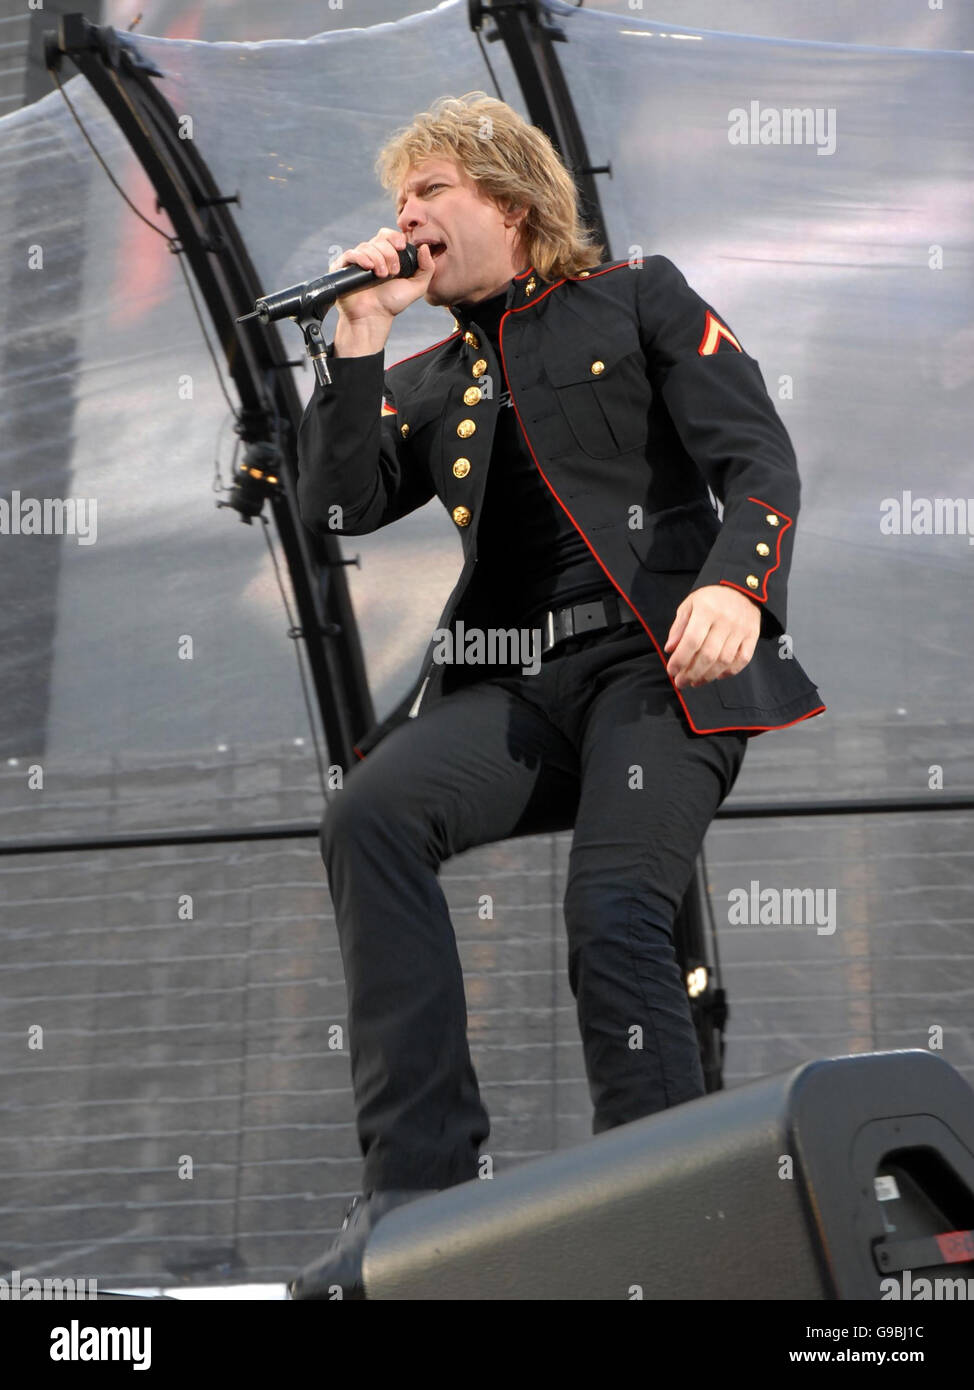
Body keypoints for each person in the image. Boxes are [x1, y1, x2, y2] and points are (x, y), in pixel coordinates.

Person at [288, 92, 825, 1299]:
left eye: (429, 191)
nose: (404, 216)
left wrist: (737, 587)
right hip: (518, 686)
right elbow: (334, 513)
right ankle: (416, 1188)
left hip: (657, 666)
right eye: (397, 200)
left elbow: (759, 456)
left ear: (509, 199)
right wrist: (358, 343)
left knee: (614, 912)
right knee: (367, 814)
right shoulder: (427, 375)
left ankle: (667, 1205)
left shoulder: (636, 295)